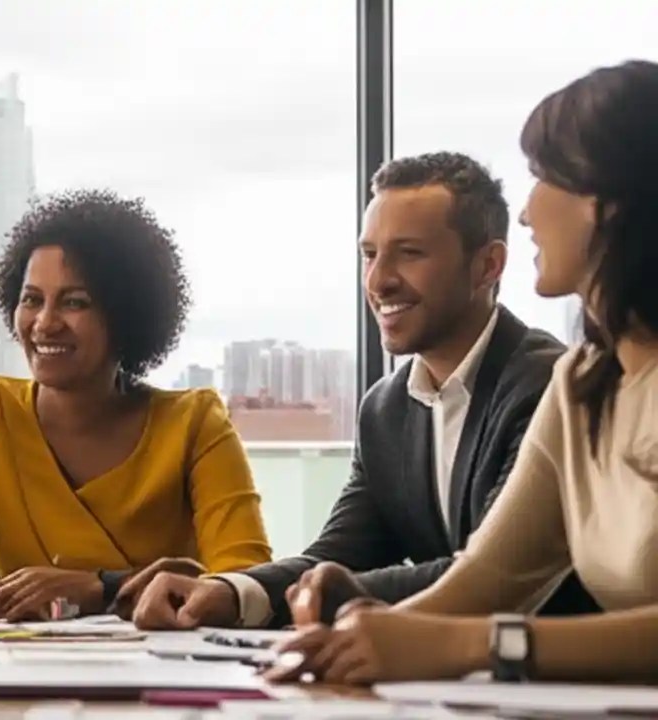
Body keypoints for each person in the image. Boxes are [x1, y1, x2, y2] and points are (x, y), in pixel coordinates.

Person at [267, 60, 658, 685]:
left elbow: (476, 629)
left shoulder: (543, 375)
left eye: (543, 178)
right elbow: (490, 577)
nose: (526, 213)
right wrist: (358, 644)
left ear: (610, 202)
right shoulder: (584, 382)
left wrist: (478, 645)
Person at [132, 152, 595, 631]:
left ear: (487, 266)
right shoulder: (384, 408)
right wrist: (231, 591)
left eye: (409, 253)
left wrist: (323, 596)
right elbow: (341, 555)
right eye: (370, 254)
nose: (378, 280)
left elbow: (493, 576)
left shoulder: (545, 383)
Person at [0, 189, 272, 622]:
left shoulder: (195, 424)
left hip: (158, 676)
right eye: (32, 299)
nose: (45, 323)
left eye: (74, 302)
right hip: (16, 674)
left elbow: (244, 579)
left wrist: (100, 587)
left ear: (125, 316)